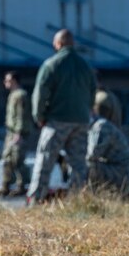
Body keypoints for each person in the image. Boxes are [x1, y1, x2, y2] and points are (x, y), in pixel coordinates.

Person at [28, 29, 96, 204]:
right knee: (79, 164)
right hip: (80, 121)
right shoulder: (85, 66)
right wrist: (85, 112)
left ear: (58, 44)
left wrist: (39, 116)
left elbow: (40, 93)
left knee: (45, 162)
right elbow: (92, 93)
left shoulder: (51, 64)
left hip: (56, 121)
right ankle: (77, 200)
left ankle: (35, 199)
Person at [86, 90, 129, 199]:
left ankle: (88, 197)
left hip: (120, 176)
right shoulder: (105, 125)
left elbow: (92, 155)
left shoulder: (101, 126)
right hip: (120, 173)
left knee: (87, 165)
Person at [0, 71, 32, 196]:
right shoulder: (12, 95)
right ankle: (5, 186)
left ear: (14, 81)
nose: (5, 83)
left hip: (18, 133)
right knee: (7, 159)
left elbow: (21, 115)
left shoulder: (20, 95)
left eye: (8, 80)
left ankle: (21, 186)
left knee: (18, 160)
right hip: (11, 132)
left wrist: (19, 133)